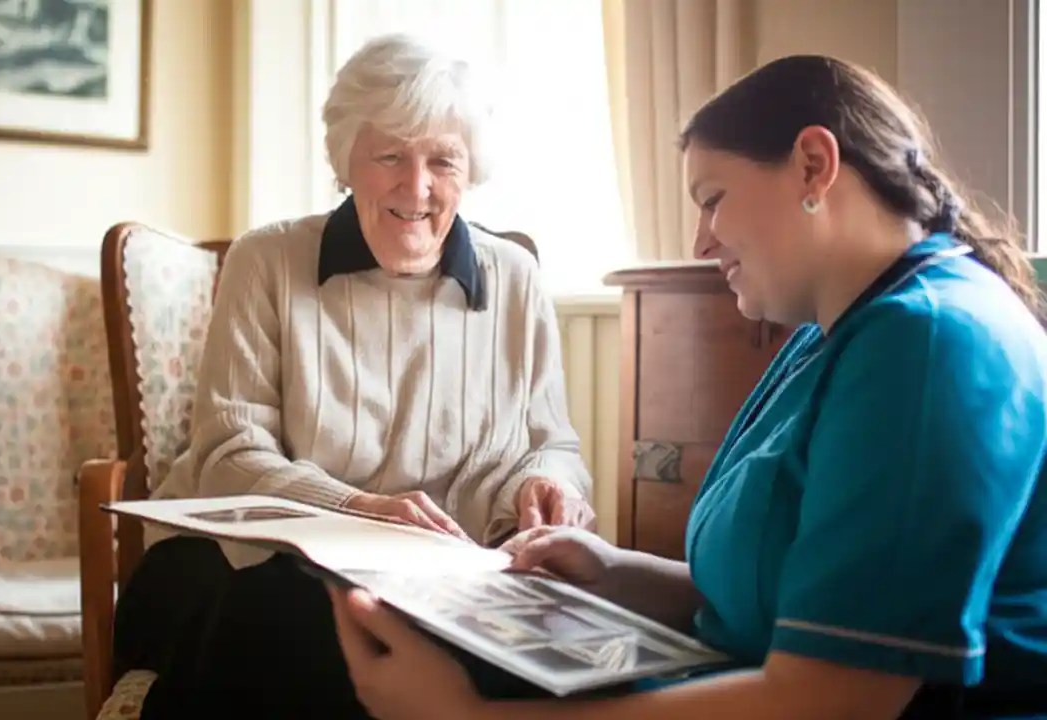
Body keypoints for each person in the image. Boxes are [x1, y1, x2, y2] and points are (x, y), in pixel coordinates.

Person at [328, 54, 1047, 720]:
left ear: (812, 165)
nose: (701, 241)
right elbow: (800, 593)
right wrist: (615, 572)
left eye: (713, 198)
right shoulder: (832, 333)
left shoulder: (924, 344)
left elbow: (834, 698)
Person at [113, 34, 597, 719]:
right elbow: (228, 458)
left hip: (441, 587)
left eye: (442, 160)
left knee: (558, 627)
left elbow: (552, 445)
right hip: (247, 570)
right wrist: (356, 508)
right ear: (346, 159)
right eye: (391, 156)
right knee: (300, 614)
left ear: (469, 170)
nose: (417, 186)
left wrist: (550, 489)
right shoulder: (266, 262)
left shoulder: (513, 279)